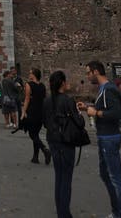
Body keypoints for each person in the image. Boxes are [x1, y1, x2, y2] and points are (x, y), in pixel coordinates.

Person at [77, 60, 121, 218]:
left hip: (109, 137)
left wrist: (96, 113)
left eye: (88, 73)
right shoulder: (103, 89)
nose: (87, 76)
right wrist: (87, 108)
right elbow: (105, 109)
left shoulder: (108, 89)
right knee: (105, 174)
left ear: (95, 72)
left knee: (115, 178)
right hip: (104, 136)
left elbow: (115, 114)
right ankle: (117, 211)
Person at [43, 69, 80, 218]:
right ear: (63, 83)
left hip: (52, 140)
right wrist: (78, 112)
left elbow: (45, 122)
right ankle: (64, 214)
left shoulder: (47, 100)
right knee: (66, 179)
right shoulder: (68, 100)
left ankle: (61, 212)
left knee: (59, 177)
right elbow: (79, 122)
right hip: (65, 142)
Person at [21, 67, 50, 164]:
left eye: (30, 73)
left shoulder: (28, 85)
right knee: (36, 134)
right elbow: (44, 99)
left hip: (32, 111)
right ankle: (35, 157)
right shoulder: (42, 86)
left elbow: (27, 99)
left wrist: (23, 112)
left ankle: (44, 149)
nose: (29, 74)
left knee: (32, 134)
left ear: (34, 75)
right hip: (40, 112)